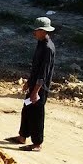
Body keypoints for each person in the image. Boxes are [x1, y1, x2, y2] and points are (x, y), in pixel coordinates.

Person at [8, 17, 56, 152]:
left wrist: (35, 92)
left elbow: (43, 73)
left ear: (43, 31)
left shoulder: (48, 48)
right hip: (34, 84)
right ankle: (22, 136)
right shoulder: (41, 43)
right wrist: (29, 83)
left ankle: (37, 143)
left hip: (40, 87)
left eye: (36, 30)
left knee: (37, 114)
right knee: (27, 108)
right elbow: (36, 67)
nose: (34, 32)